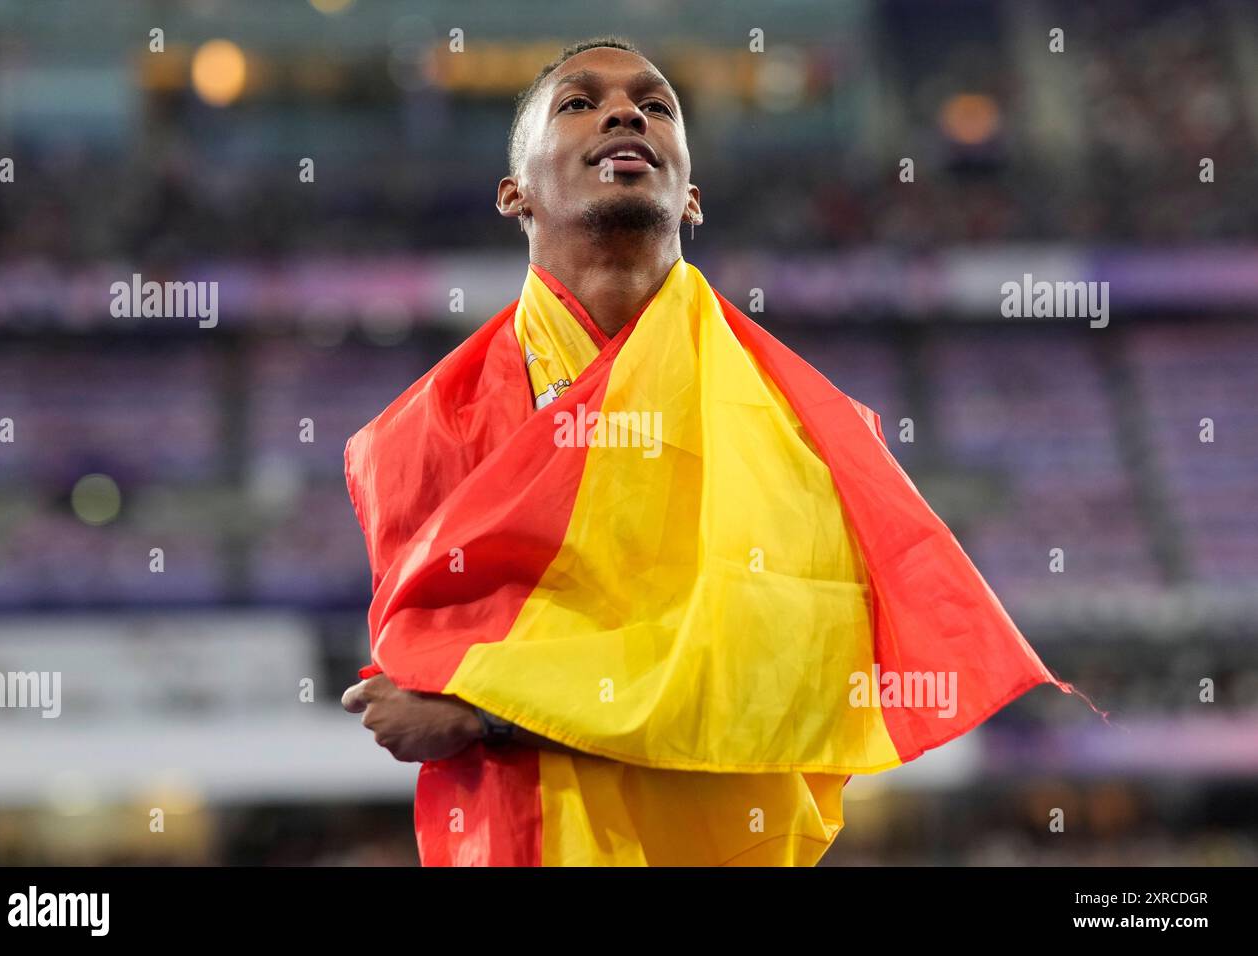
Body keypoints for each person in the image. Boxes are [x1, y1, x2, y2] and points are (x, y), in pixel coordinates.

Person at [341, 37, 1076, 866]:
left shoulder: (798, 426)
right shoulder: (424, 433)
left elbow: (774, 679)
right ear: (514, 193)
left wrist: (488, 713)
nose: (626, 113)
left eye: (656, 107)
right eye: (579, 103)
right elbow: (417, 663)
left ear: (691, 197)